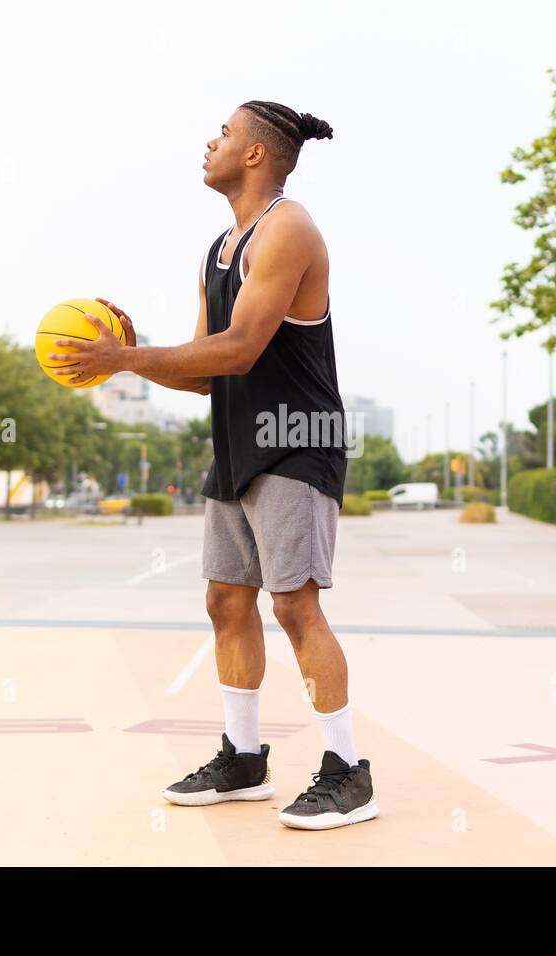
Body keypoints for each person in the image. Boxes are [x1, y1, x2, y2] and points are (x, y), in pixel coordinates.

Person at [48, 100, 377, 830]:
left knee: (294, 603)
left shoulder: (287, 228)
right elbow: (204, 372)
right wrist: (125, 345)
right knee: (226, 602)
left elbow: (240, 350)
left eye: (224, 133)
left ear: (256, 154)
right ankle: (243, 758)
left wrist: (125, 360)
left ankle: (349, 770)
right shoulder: (217, 249)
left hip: (298, 436)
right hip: (238, 443)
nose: (211, 141)